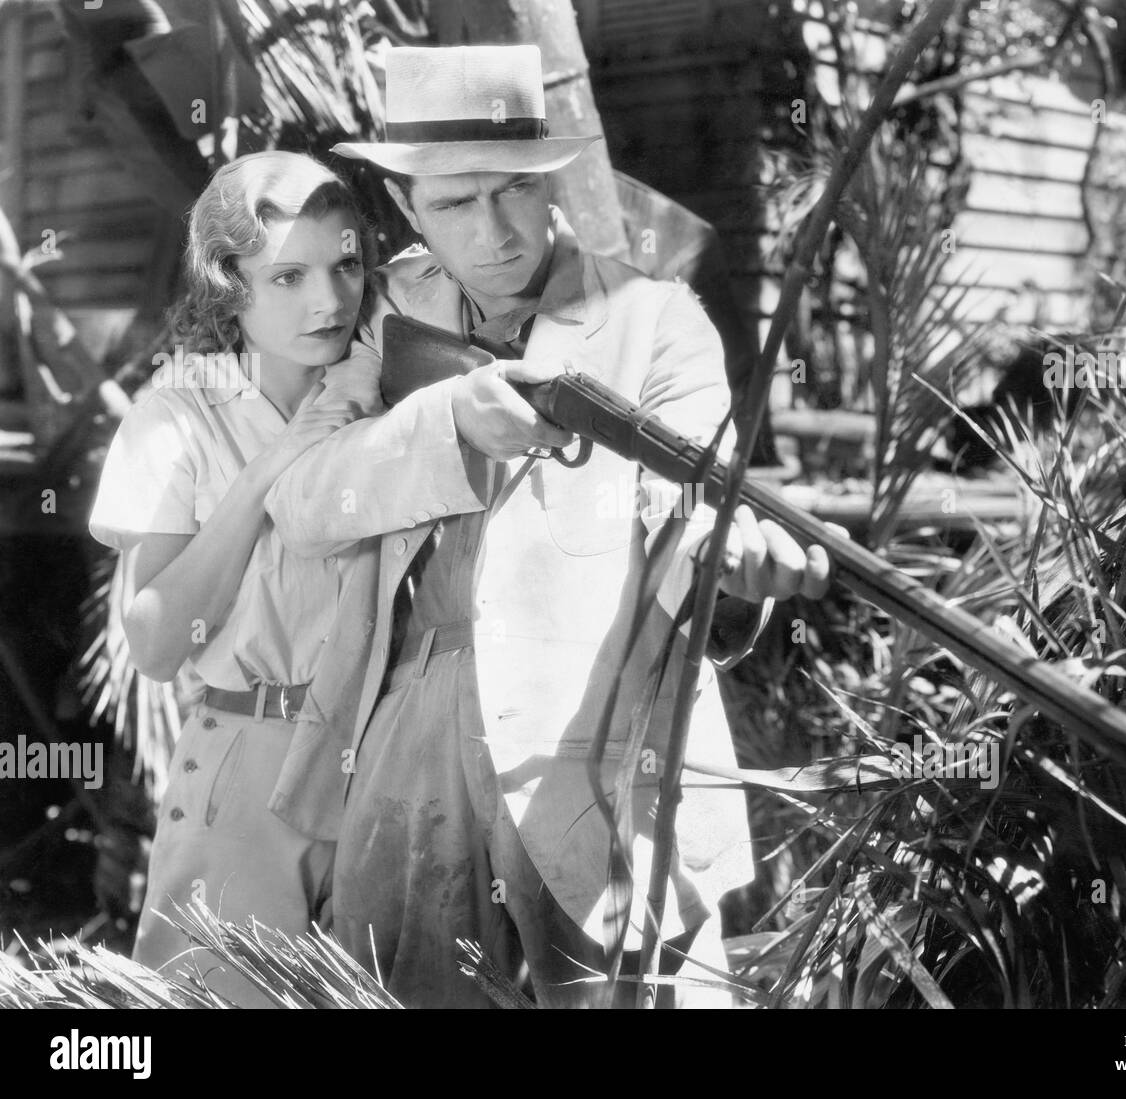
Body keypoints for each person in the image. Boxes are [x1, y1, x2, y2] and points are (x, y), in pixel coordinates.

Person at [265, 45, 831, 1007]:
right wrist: (446, 421)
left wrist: (725, 559)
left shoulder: (655, 319)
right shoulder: (383, 318)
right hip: (414, 725)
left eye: (513, 193)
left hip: (600, 722)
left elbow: (693, 502)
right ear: (407, 209)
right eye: (453, 203)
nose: (492, 232)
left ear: (548, 179)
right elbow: (305, 500)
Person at [88, 151, 378, 1005]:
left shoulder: (392, 394)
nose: (328, 301)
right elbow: (155, 639)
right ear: (229, 285)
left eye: (346, 265)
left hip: (384, 760)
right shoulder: (177, 414)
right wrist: (273, 466)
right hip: (246, 768)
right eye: (287, 275)